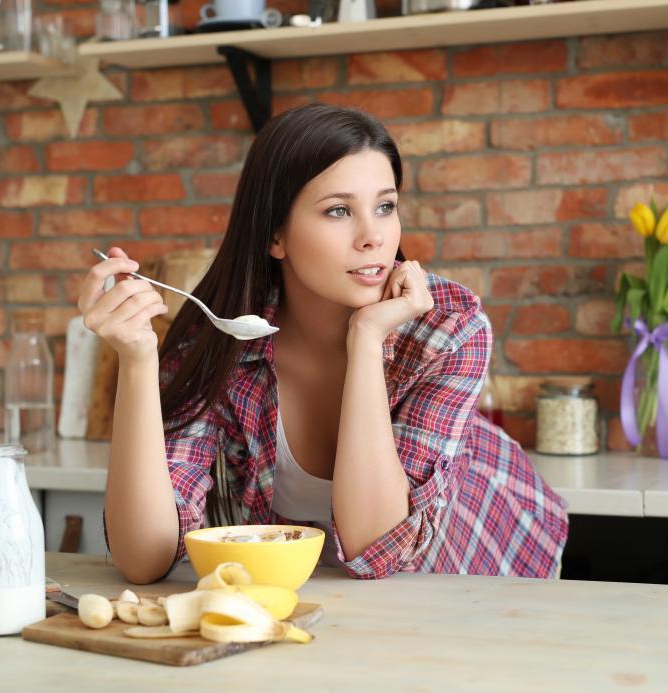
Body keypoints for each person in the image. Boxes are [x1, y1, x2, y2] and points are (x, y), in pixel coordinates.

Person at [79, 103, 568, 584]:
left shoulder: (447, 326)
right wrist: (137, 359)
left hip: (484, 564)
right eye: (338, 211)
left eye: (385, 206)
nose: (373, 236)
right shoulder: (220, 341)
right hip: (340, 599)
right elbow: (143, 559)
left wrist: (367, 338)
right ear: (276, 235)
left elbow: (375, 547)